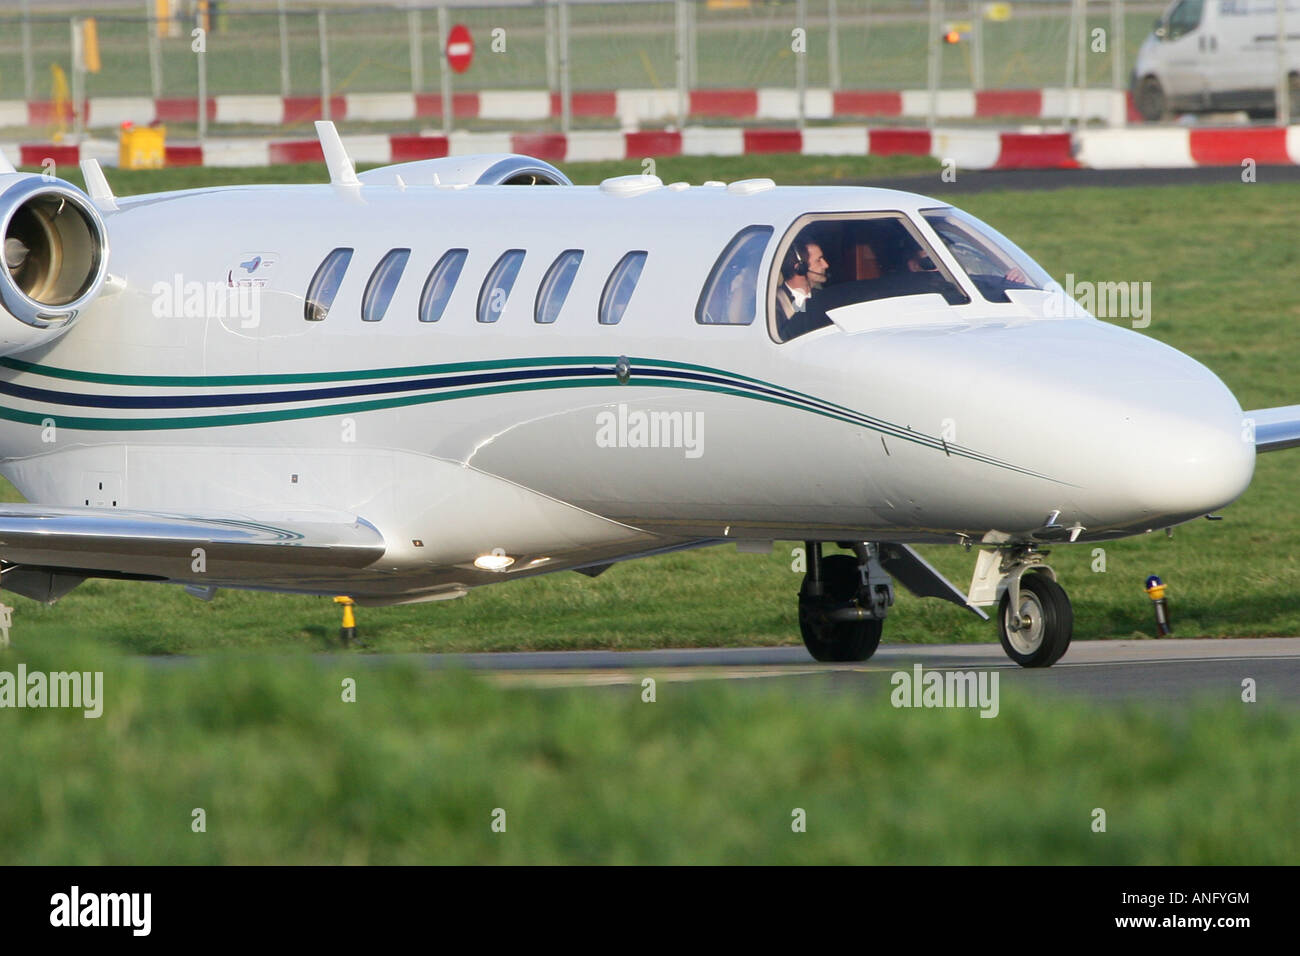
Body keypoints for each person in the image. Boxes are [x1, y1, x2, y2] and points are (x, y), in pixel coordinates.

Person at [776, 237, 829, 321]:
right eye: (818, 260)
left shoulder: (825, 298)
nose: (826, 265)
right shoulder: (774, 305)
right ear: (800, 268)